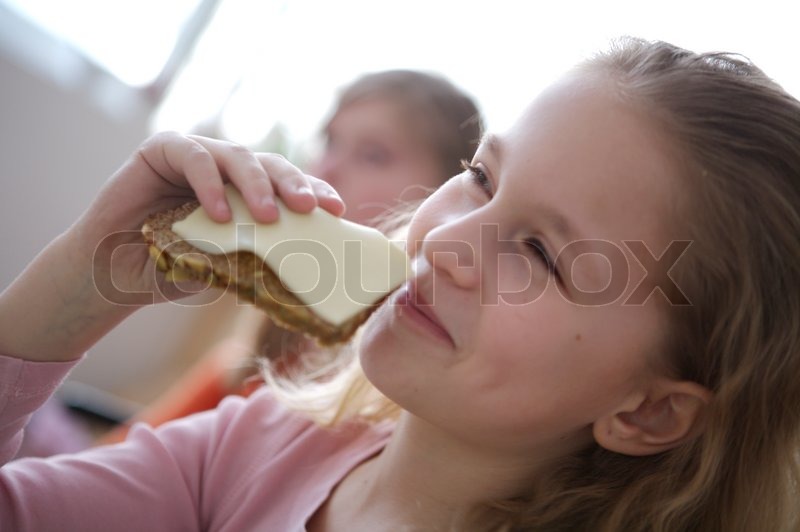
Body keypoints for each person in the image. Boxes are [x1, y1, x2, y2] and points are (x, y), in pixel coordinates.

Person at [1, 37, 799, 531]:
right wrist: (82, 277)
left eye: (543, 253)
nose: (446, 238)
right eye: (481, 177)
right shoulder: (258, 446)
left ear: (650, 410)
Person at [90, 69, 484, 446]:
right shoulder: (265, 343)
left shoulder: (399, 403)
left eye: (373, 155)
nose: (326, 168)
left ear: (441, 197)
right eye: (329, 142)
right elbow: (120, 454)